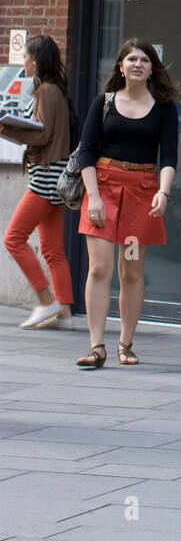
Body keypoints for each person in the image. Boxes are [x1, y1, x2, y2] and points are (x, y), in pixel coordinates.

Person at [76, 39, 179, 369]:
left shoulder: (163, 108)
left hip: (141, 194)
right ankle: (96, 346)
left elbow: (170, 156)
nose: (138, 64)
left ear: (152, 68)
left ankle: (125, 343)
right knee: (100, 267)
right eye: (131, 58)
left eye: (144, 60)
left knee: (131, 270)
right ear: (121, 66)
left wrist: (163, 192)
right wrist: (93, 196)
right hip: (103, 190)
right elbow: (87, 152)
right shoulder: (103, 103)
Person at [2, 35, 74, 329]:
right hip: (56, 177)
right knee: (52, 249)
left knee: (13, 239)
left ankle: (46, 301)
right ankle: (64, 314)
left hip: (44, 178)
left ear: (38, 60)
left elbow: (42, 135)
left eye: (28, 57)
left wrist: (8, 131)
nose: (24, 61)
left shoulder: (45, 90)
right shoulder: (56, 89)